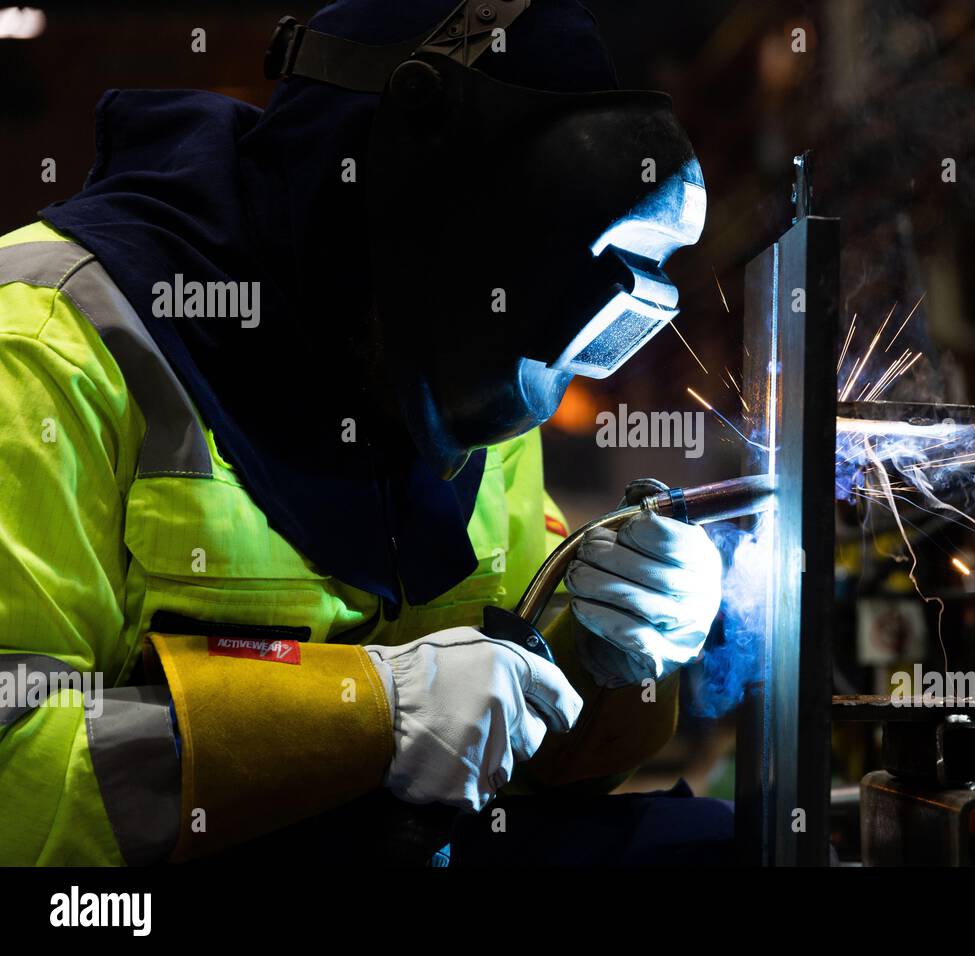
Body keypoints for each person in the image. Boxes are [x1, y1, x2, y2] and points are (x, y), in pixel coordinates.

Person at [0, 0, 722, 865]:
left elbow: (526, 761)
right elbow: (15, 774)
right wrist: (368, 716)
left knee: (712, 847)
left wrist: (609, 654)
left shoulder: (472, 390)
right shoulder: (50, 340)